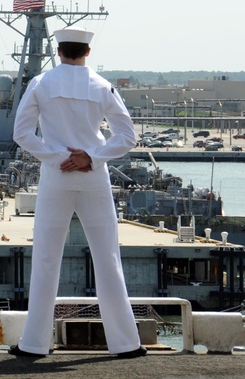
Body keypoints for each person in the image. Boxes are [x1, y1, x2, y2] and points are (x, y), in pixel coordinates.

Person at [10, 26, 147, 359]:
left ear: (58, 51)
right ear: (87, 52)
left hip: (56, 176)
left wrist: (59, 157)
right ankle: (126, 343)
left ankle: (34, 344)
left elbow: (22, 134)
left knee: (45, 259)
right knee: (107, 259)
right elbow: (127, 137)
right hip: (93, 176)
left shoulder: (41, 84)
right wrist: (91, 156)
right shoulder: (102, 87)